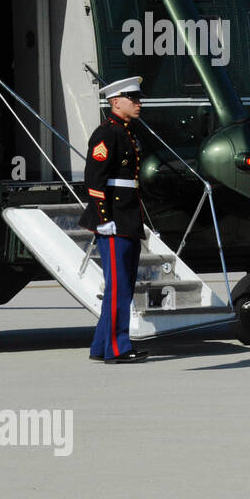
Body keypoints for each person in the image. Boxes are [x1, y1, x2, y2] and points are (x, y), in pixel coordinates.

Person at [81, 76, 149, 364]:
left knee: (123, 285)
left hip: (127, 217)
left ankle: (100, 346)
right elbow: (94, 182)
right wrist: (103, 218)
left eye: (138, 98)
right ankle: (118, 348)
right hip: (114, 220)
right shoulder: (106, 134)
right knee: (119, 286)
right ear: (116, 102)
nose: (138, 103)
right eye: (132, 99)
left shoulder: (126, 132)